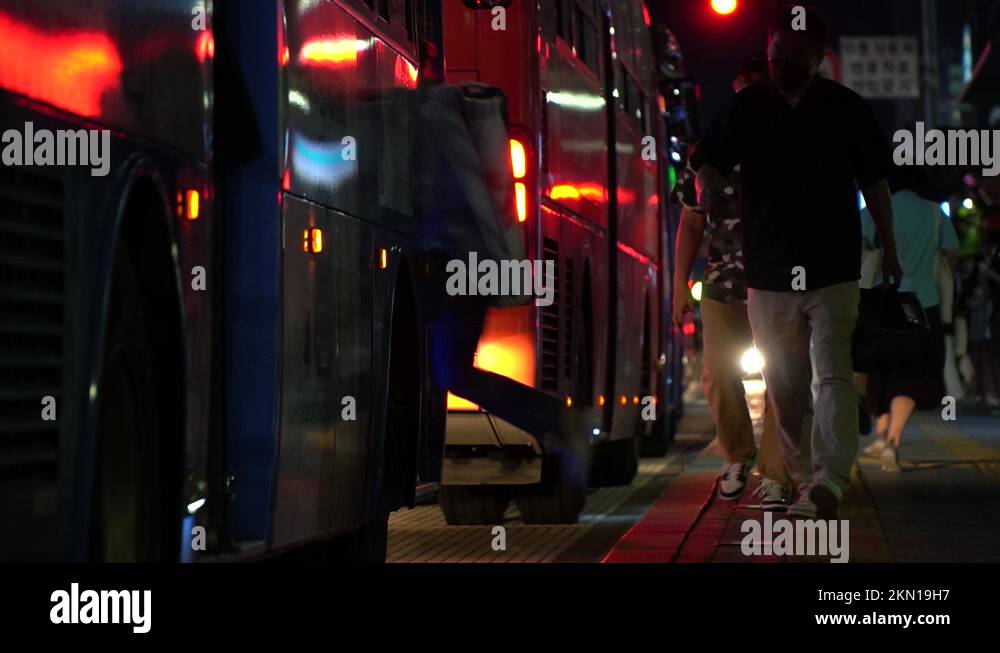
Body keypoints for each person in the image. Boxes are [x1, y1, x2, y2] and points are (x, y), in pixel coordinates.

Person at [691, 5, 901, 519]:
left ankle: (828, 481)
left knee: (830, 375)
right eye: (774, 53)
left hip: (833, 268)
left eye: (790, 53)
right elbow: (708, 164)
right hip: (767, 272)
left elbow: (875, 182)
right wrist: (709, 190)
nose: (780, 61)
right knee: (784, 384)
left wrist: (890, 247)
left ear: (816, 56)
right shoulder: (749, 108)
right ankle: (802, 476)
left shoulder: (845, 108)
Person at [415, 82, 597, 476]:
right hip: (467, 262)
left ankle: (553, 422)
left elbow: (450, 195)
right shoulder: (443, 112)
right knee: (449, 370)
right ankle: (553, 423)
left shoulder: (430, 115)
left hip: (455, 262)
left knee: (444, 368)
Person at [671, 53, 791, 511]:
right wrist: (680, 285)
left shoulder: (792, 149)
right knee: (717, 373)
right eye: (741, 96)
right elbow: (691, 222)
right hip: (722, 285)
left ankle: (777, 475)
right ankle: (738, 456)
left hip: (781, 283)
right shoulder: (710, 151)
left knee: (784, 379)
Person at [859, 164, 959, 471]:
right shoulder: (933, 212)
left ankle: (880, 435)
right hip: (922, 302)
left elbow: (860, 245)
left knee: (881, 370)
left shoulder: (876, 208)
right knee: (913, 374)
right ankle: (892, 442)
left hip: (882, 299)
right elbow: (951, 253)